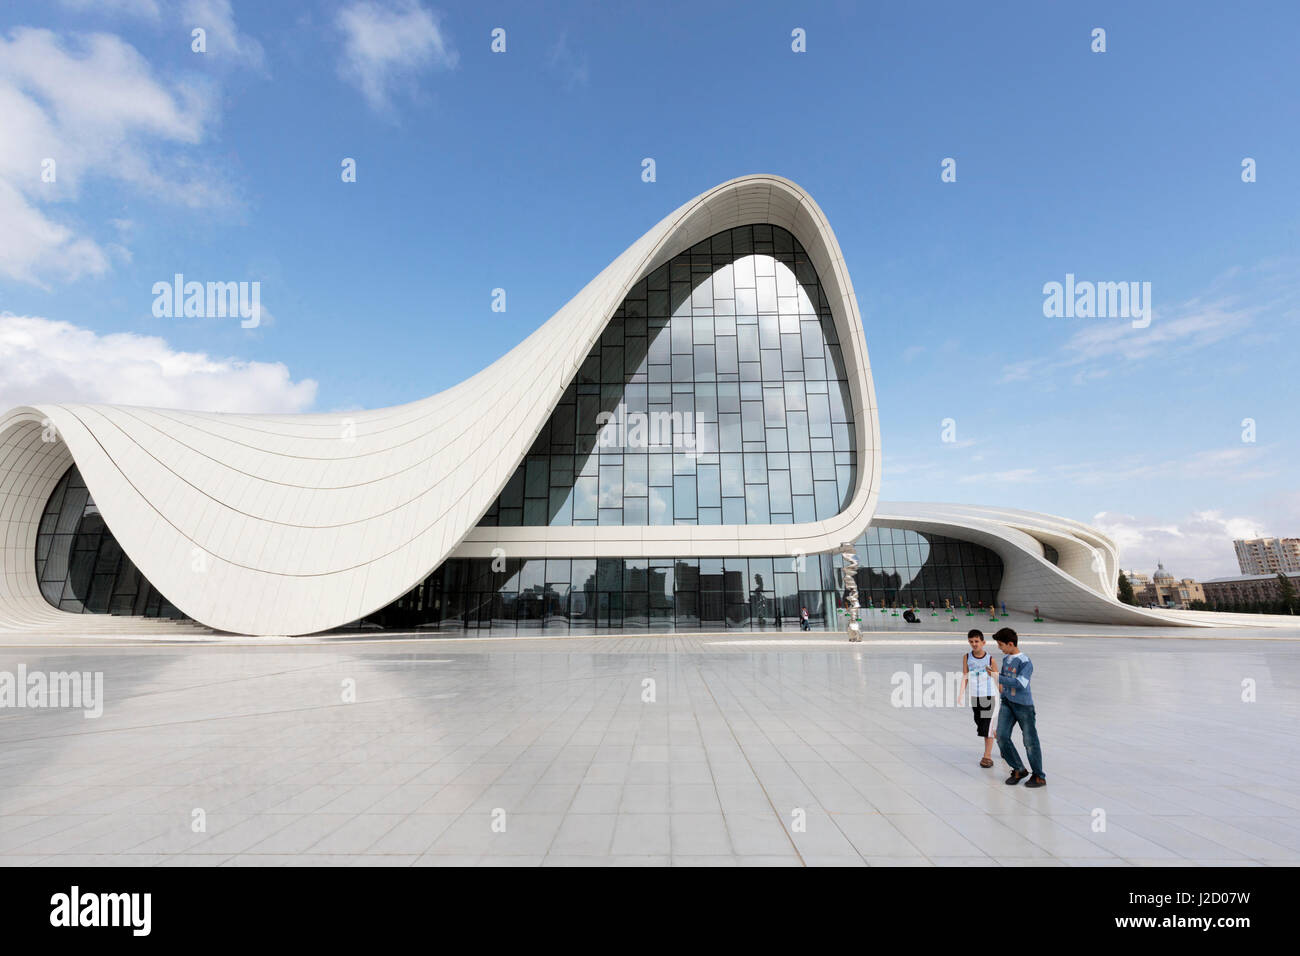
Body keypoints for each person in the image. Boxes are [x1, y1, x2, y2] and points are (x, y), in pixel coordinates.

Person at [993, 627, 1045, 788]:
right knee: (1001, 736)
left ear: (1010, 644)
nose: (999, 648)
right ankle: (1018, 768)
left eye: (1001, 645)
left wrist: (997, 677)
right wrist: (1000, 686)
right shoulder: (1006, 659)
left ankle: (1038, 775)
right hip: (1007, 703)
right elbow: (1003, 680)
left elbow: (1021, 683)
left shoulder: (1025, 662)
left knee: (1029, 741)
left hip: (1023, 706)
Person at [957, 629, 997, 768]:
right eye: (971, 641)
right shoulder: (967, 657)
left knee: (986, 727)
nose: (974, 644)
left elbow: (997, 678)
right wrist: (961, 693)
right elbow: (965, 675)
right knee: (981, 724)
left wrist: (1003, 694)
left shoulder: (990, 659)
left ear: (983, 642)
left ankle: (987, 757)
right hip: (975, 696)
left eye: (977, 641)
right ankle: (1002, 740)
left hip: (988, 696)